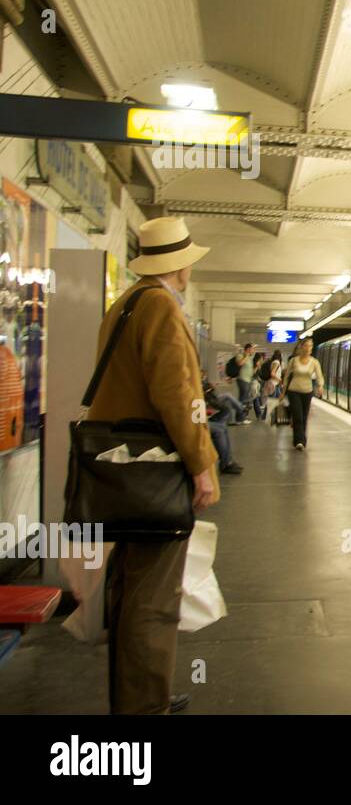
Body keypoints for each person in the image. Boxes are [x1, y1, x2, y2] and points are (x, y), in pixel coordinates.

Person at [86, 216, 218, 715]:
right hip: (154, 472)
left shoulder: (126, 303)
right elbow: (178, 395)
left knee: (131, 587)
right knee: (153, 598)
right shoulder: (161, 306)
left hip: (123, 470)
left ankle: (140, 694)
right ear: (180, 265)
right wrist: (201, 464)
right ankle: (144, 708)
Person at [285, 338, 324, 450]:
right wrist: (283, 392)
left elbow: (319, 375)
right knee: (298, 416)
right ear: (301, 347)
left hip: (307, 392)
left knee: (304, 416)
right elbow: (287, 376)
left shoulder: (314, 362)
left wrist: (320, 386)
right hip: (294, 391)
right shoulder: (293, 361)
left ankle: (301, 439)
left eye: (310, 346)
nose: (308, 348)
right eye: (306, 345)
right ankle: (299, 441)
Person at [263, 349, 284, 424]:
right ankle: (269, 416)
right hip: (274, 384)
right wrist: (280, 379)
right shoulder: (277, 362)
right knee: (272, 400)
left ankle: (273, 416)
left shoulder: (273, 362)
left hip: (274, 384)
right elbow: (272, 374)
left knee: (277, 400)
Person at [235, 343, 255, 415]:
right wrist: (246, 356)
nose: (253, 350)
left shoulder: (250, 358)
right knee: (242, 399)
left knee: (245, 400)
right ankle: (239, 418)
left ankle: (243, 417)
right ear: (248, 349)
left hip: (248, 381)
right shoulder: (240, 355)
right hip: (242, 380)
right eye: (252, 349)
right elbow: (240, 363)